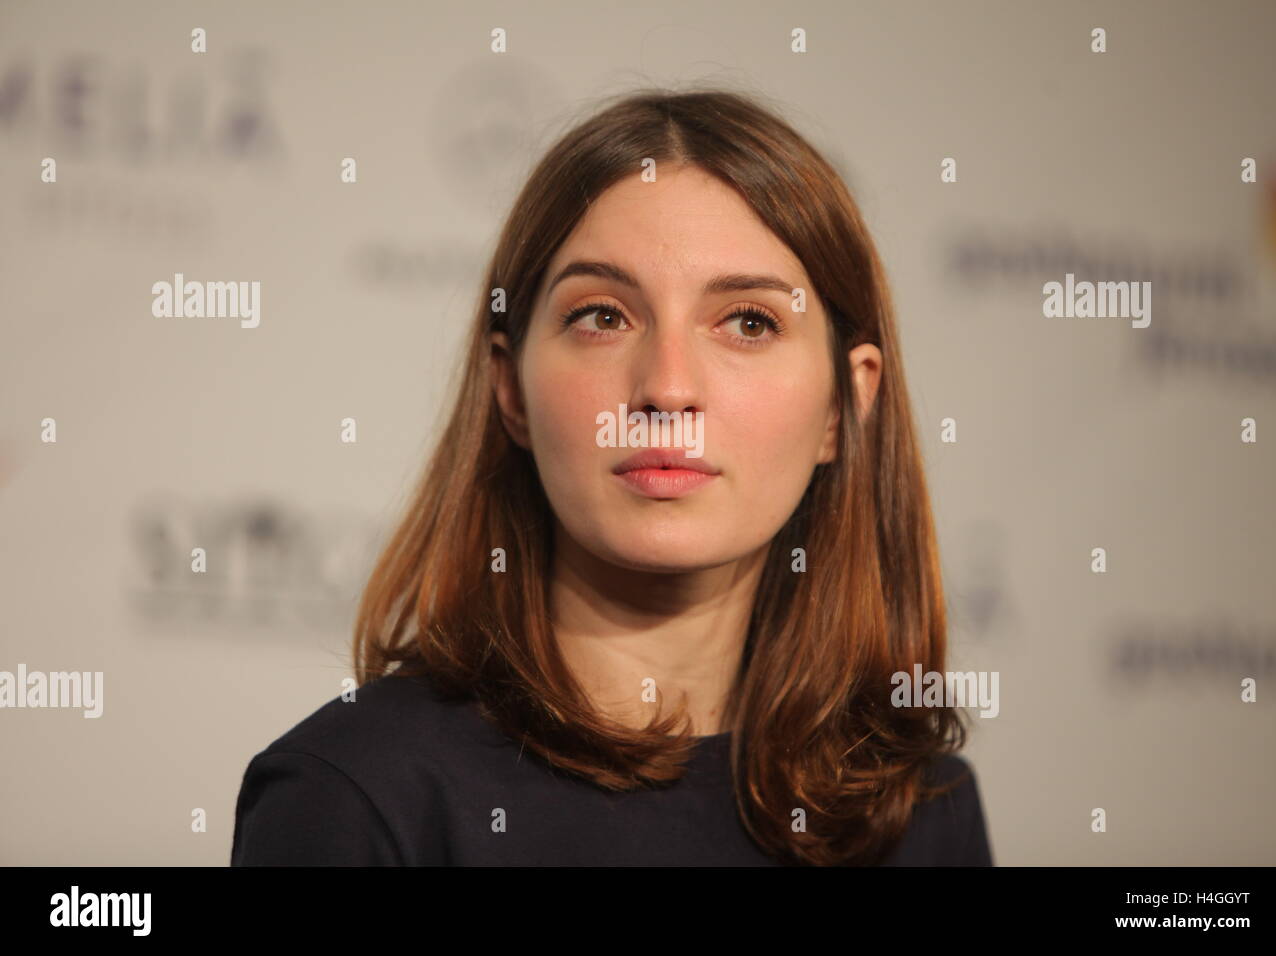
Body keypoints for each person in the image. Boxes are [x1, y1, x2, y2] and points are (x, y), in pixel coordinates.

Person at [231, 86, 994, 866]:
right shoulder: (357, 795)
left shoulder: (920, 810)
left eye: (749, 322)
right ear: (510, 389)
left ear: (845, 403)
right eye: (602, 316)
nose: (666, 389)